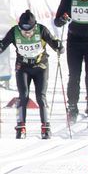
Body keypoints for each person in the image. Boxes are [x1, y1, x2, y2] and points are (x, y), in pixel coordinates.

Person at [0, 10, 62, 138]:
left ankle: (46, 128)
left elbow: (53, 41)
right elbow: (3, 44)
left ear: (35, 26)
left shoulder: (41, 30)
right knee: (23, 95)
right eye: (24, 30)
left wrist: (58, 47)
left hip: (41, 66)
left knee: (41, 96)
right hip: (22, 66)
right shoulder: (14, 31)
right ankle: (20, 128)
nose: (27, 33)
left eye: (30, 30)